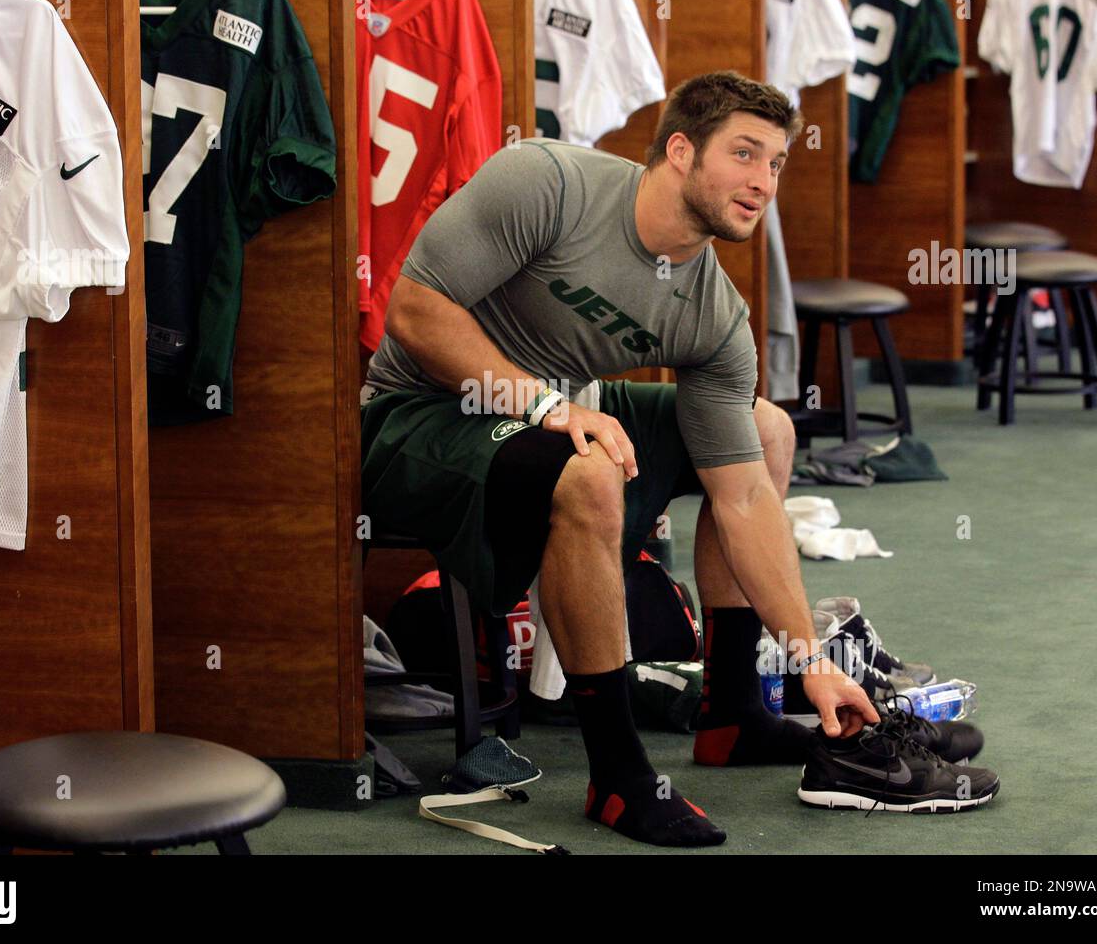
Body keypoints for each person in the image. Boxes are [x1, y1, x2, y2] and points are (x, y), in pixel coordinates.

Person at [360, 70, 879, 847]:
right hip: (416, 417)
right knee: (590, 471)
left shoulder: (713, 313)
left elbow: (742, 498)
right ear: (680, 149)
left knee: (765, 430)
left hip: (553, 420)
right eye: (744, 154)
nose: (762, 181)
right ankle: (618, 777)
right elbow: (415, 311)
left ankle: (732, 714)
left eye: (775, 163)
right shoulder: (549, 184)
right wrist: (546, 406)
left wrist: (808, 656)